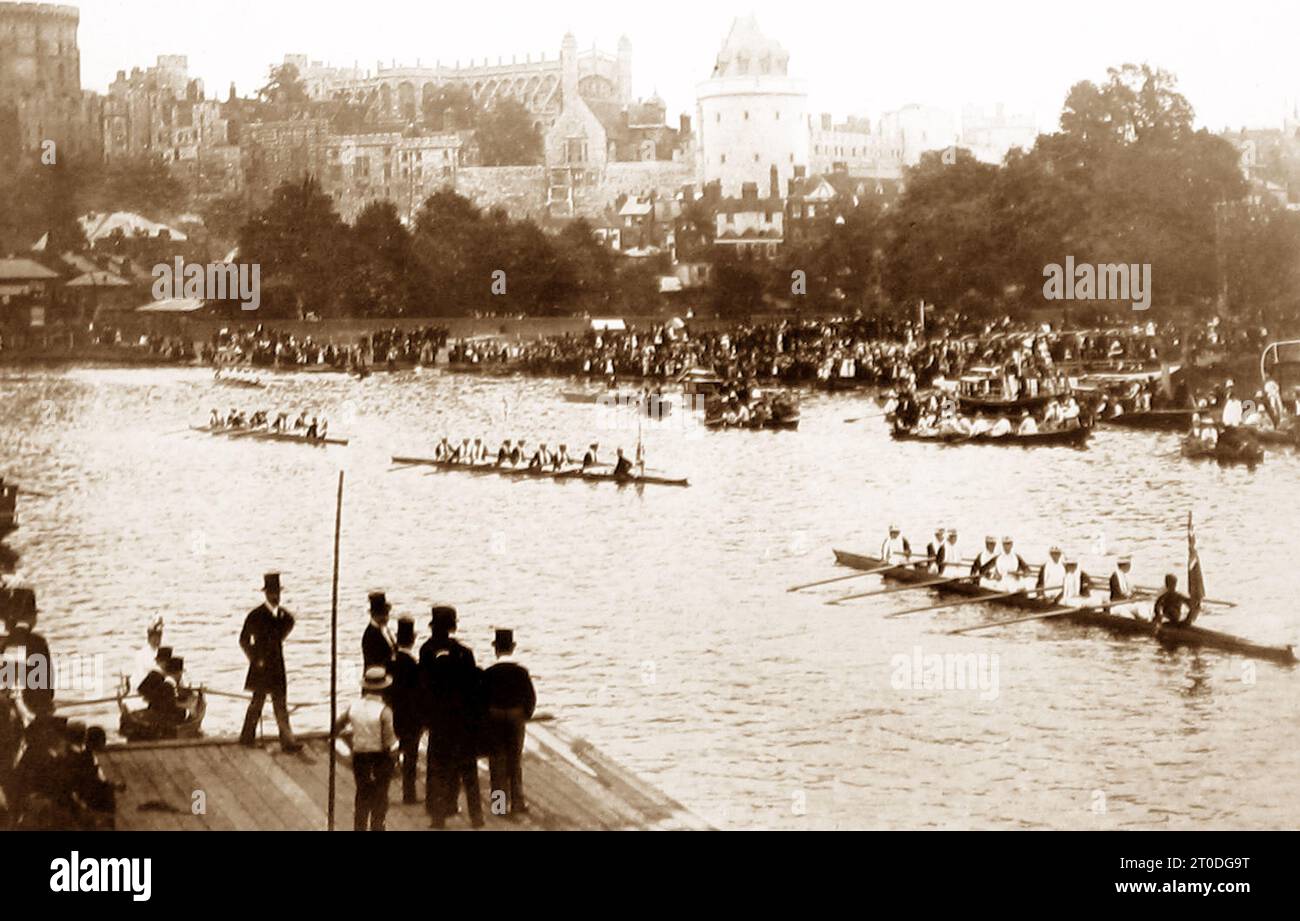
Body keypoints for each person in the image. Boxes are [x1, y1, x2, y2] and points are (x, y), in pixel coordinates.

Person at [418, 605, 483, 829]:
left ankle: (438, 817)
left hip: (439, 722)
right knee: (469, 771)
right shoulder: (464, 653)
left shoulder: (426, 651)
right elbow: (475, 689)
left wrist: (426, 718)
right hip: (462, 722)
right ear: (452, 627)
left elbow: (423, 688)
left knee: (437, 770)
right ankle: (478, 817)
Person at [238, 573, 302, 752]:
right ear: (266, 593)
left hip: (277, 666)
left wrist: (279, 638)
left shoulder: (283, 616)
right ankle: (247, 737)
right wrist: (254, 658)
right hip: (261, 666)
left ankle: (288, 741)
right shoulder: (255, 615)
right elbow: (243, 640)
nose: (276, 596)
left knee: (280, 703)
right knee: (257, 703)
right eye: (272, 593)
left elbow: (289, 624)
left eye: (278, 593)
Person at [334, 666, 398, 831]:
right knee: (380, 796)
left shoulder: (354, 707)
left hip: (360, 756)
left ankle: (359, 827)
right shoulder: (384, 711)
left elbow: (337, 726)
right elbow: (388, 741)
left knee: (362, 793)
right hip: (380, 757)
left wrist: (350, 738)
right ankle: (377, 827)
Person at [482, 629, 536, 818]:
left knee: (497, 761)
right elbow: (531, 698)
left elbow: (481, 699)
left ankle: (499, 806)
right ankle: (518, 803)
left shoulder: (488, 673)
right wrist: (524, 715)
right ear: (513, 647)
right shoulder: (521, 672)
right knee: (515, 760)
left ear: (495, 649)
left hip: (495, 717)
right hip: (515, 717)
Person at [389, 617, 422, 805]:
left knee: (390, 752)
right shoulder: (413, 665)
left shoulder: (390, 662)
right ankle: (409, 794)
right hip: (411, 717)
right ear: (413, 639)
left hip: (393, 714)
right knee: (411, 757)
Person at [129, 615, 165, 695]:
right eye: (154, 637)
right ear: (149, 638)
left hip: (161, 688)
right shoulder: (141, 654)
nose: (157, 639)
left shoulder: (165, 652)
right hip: (144, 688)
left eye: (159, 636)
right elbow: (141, 675)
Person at [361, 591, 395, 670]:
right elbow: (378, 662)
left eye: (387, 614)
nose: (387, 618)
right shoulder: (370, 637)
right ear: (375, 615)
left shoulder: (384, 630)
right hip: (376, 678)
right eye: (384, 614)